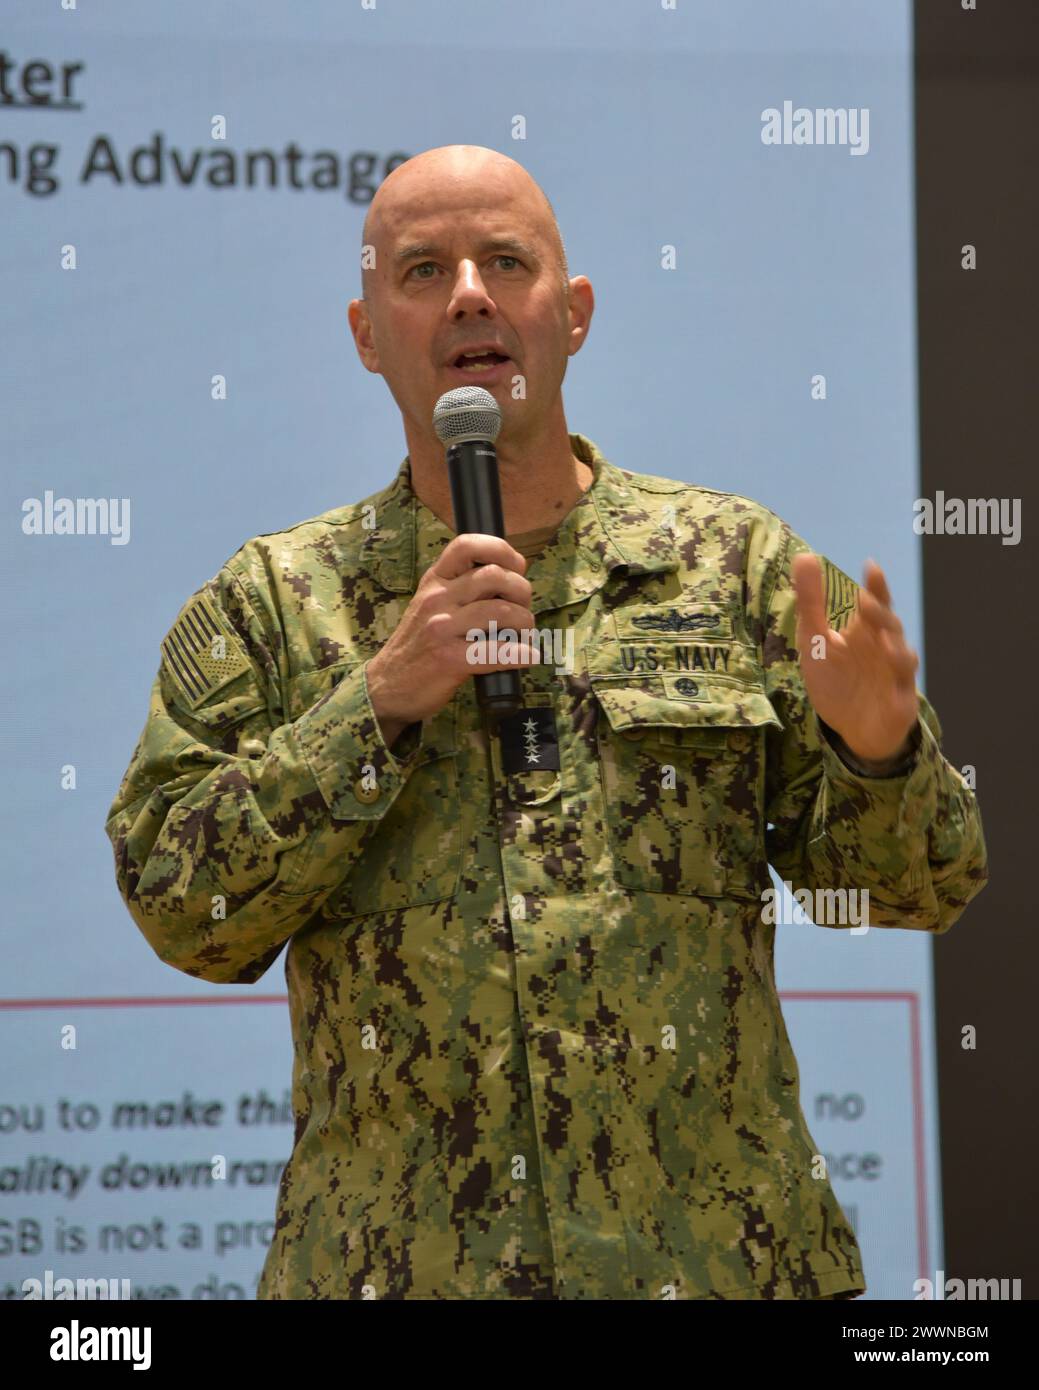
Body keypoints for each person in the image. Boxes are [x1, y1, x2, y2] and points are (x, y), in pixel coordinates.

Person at [105, 145, 987, 1301]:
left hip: (716, 1270)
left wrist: (876, 753)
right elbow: (184, 911)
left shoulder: (733, 566)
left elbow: (921, 885)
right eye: (421, 270)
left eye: (504, 262)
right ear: (368, 334)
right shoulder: (272, 604)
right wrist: (373, 705)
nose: (468, 292)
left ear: (570, 316)